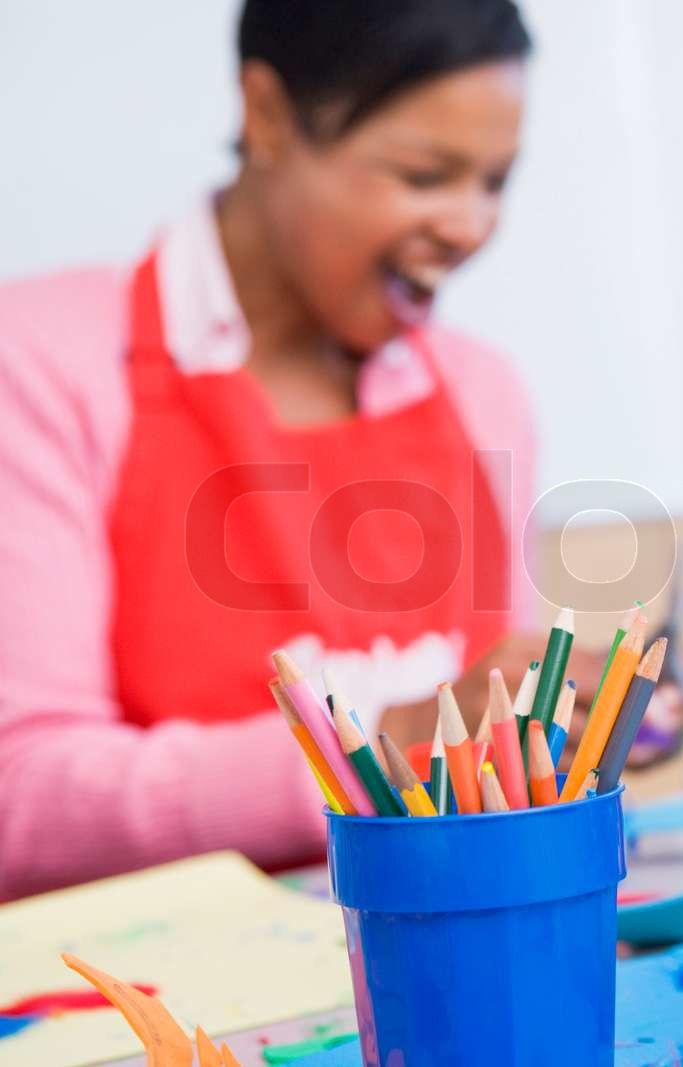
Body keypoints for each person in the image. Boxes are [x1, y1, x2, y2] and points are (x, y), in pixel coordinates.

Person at [0, 0, 552, 899]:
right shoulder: (37, 367)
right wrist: (379, 743)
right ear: (265, 115)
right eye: (425, 175)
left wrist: (583, 727)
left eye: (496, 181)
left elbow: (492, 753)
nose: (470, 226)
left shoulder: (482, 389)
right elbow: (18, 797)